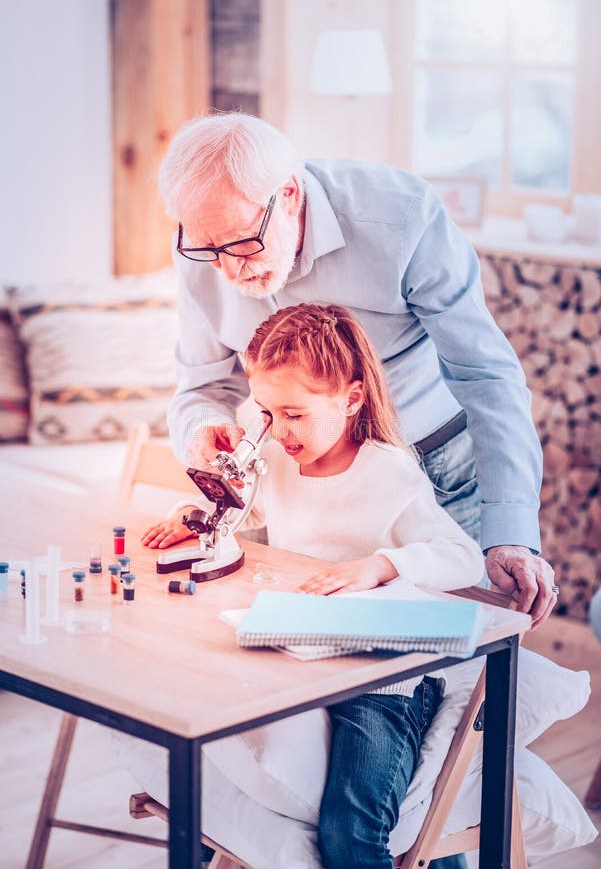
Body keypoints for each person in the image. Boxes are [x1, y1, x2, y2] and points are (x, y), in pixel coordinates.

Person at [158, 111, 556, 637]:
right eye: (209, 252)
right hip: (304, 479)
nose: (229, 271)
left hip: (434, 466)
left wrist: (511, 534)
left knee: (447, 655)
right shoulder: (206, 240)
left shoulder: (401, 218)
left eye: (241, 244)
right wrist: (201, 432)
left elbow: (486, 375)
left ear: (290, 195)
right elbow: (202, 387)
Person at [143, 303, 485, 869]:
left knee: (354, 827)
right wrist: (196, 514)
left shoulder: (388, 472)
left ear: (351, 400)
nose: (278, 430)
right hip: (299, 655)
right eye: (267, 412)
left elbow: (461, 557)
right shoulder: (277, 457)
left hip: (380, 675)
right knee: (198, 778)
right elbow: (241, 513)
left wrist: (380, 565)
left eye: (294, 414)